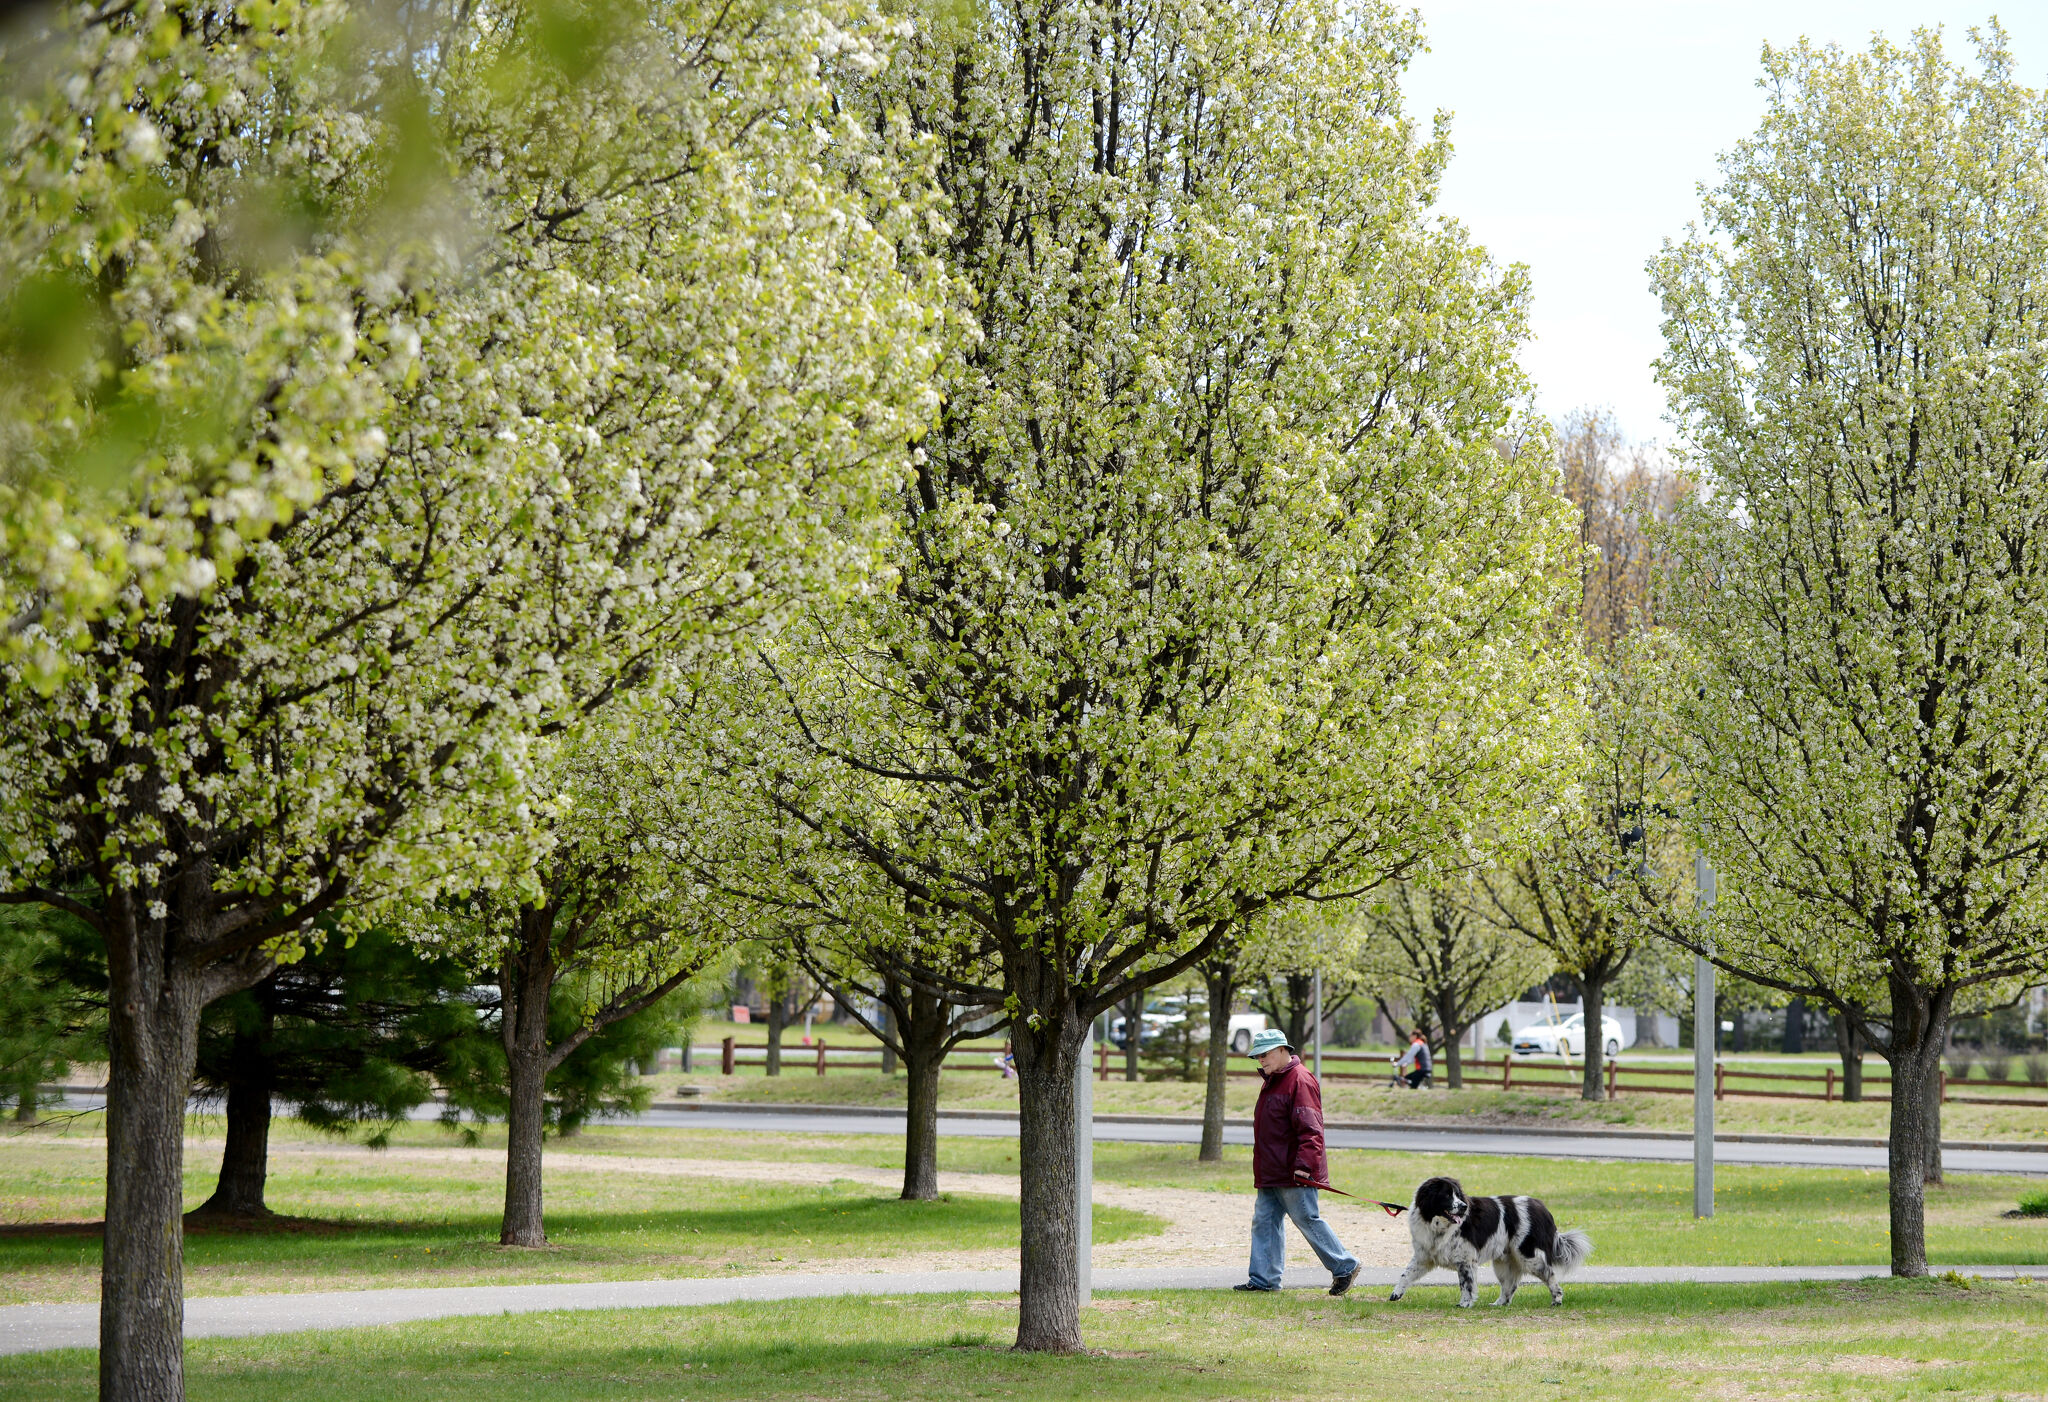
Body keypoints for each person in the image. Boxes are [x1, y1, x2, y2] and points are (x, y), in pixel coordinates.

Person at [1233, 1028, 1361, 1296]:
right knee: (1264, 1223)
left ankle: (1345, 1266)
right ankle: (1263, 1281)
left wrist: (1304, 1166)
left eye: (1265, 1054)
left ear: (1283, 1050)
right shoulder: (1274, 1080)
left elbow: (1311, 1130)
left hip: (1294, 1171)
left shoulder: (1300, 1080)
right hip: (1272, 1170)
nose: (1261, 1060)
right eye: (1257, 1056)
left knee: (1307, 1219)